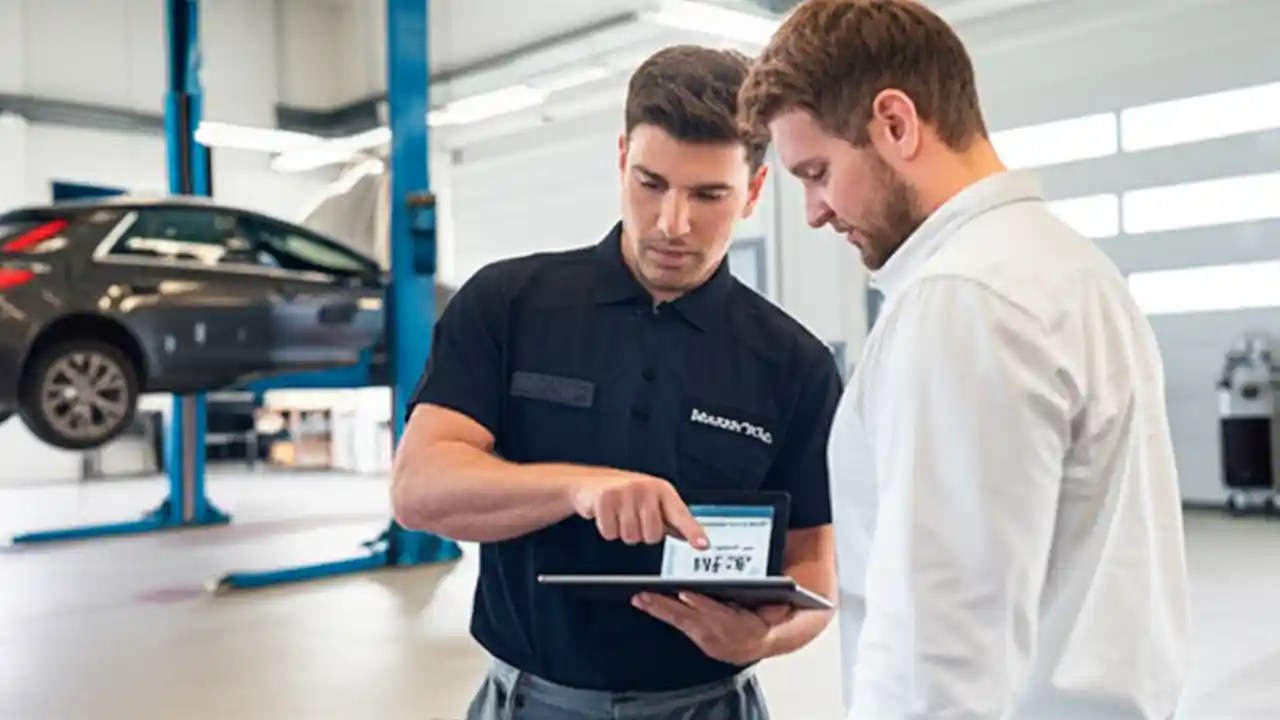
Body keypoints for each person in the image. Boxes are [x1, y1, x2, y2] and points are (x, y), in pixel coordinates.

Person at [738, 1, 1191, 718]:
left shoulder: (962, 298)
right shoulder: (1062, 265)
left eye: (817, 171)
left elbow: (939, 645)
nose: (814, 212)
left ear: (895, 123)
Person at [392, 45, 842, 720]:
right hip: (529, 702)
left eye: (708, 194)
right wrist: (580, 487)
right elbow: (419, 490)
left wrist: (768, 634)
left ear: (752, 190)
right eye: (651, 182)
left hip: (710, 704)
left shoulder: (795, 366)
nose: (672, 224)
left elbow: (816, 576)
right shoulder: (507, 304)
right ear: (621, 158)